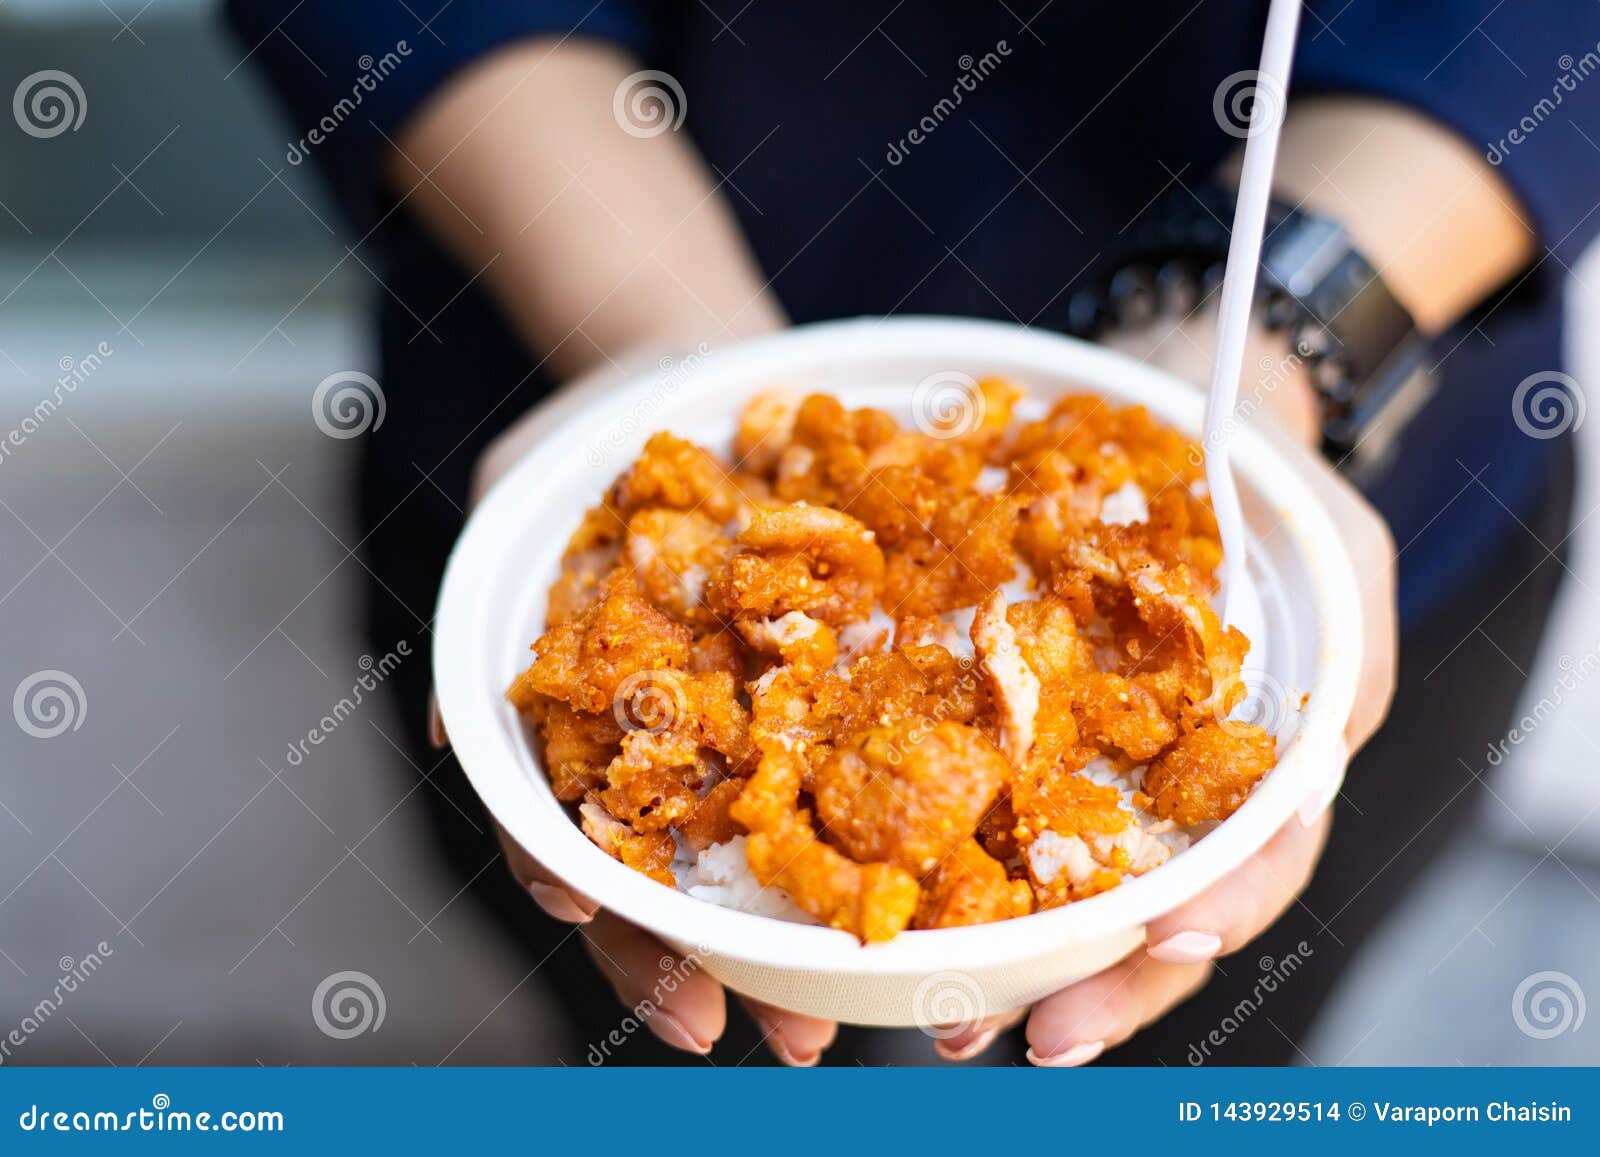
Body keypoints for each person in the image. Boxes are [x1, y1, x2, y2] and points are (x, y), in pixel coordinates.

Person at [226, 1, 1593, 1066]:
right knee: (670, 1055)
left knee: (1205, 1049)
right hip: (554, 302)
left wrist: (1278, 339)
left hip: (1379, 447)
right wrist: (656, 340)